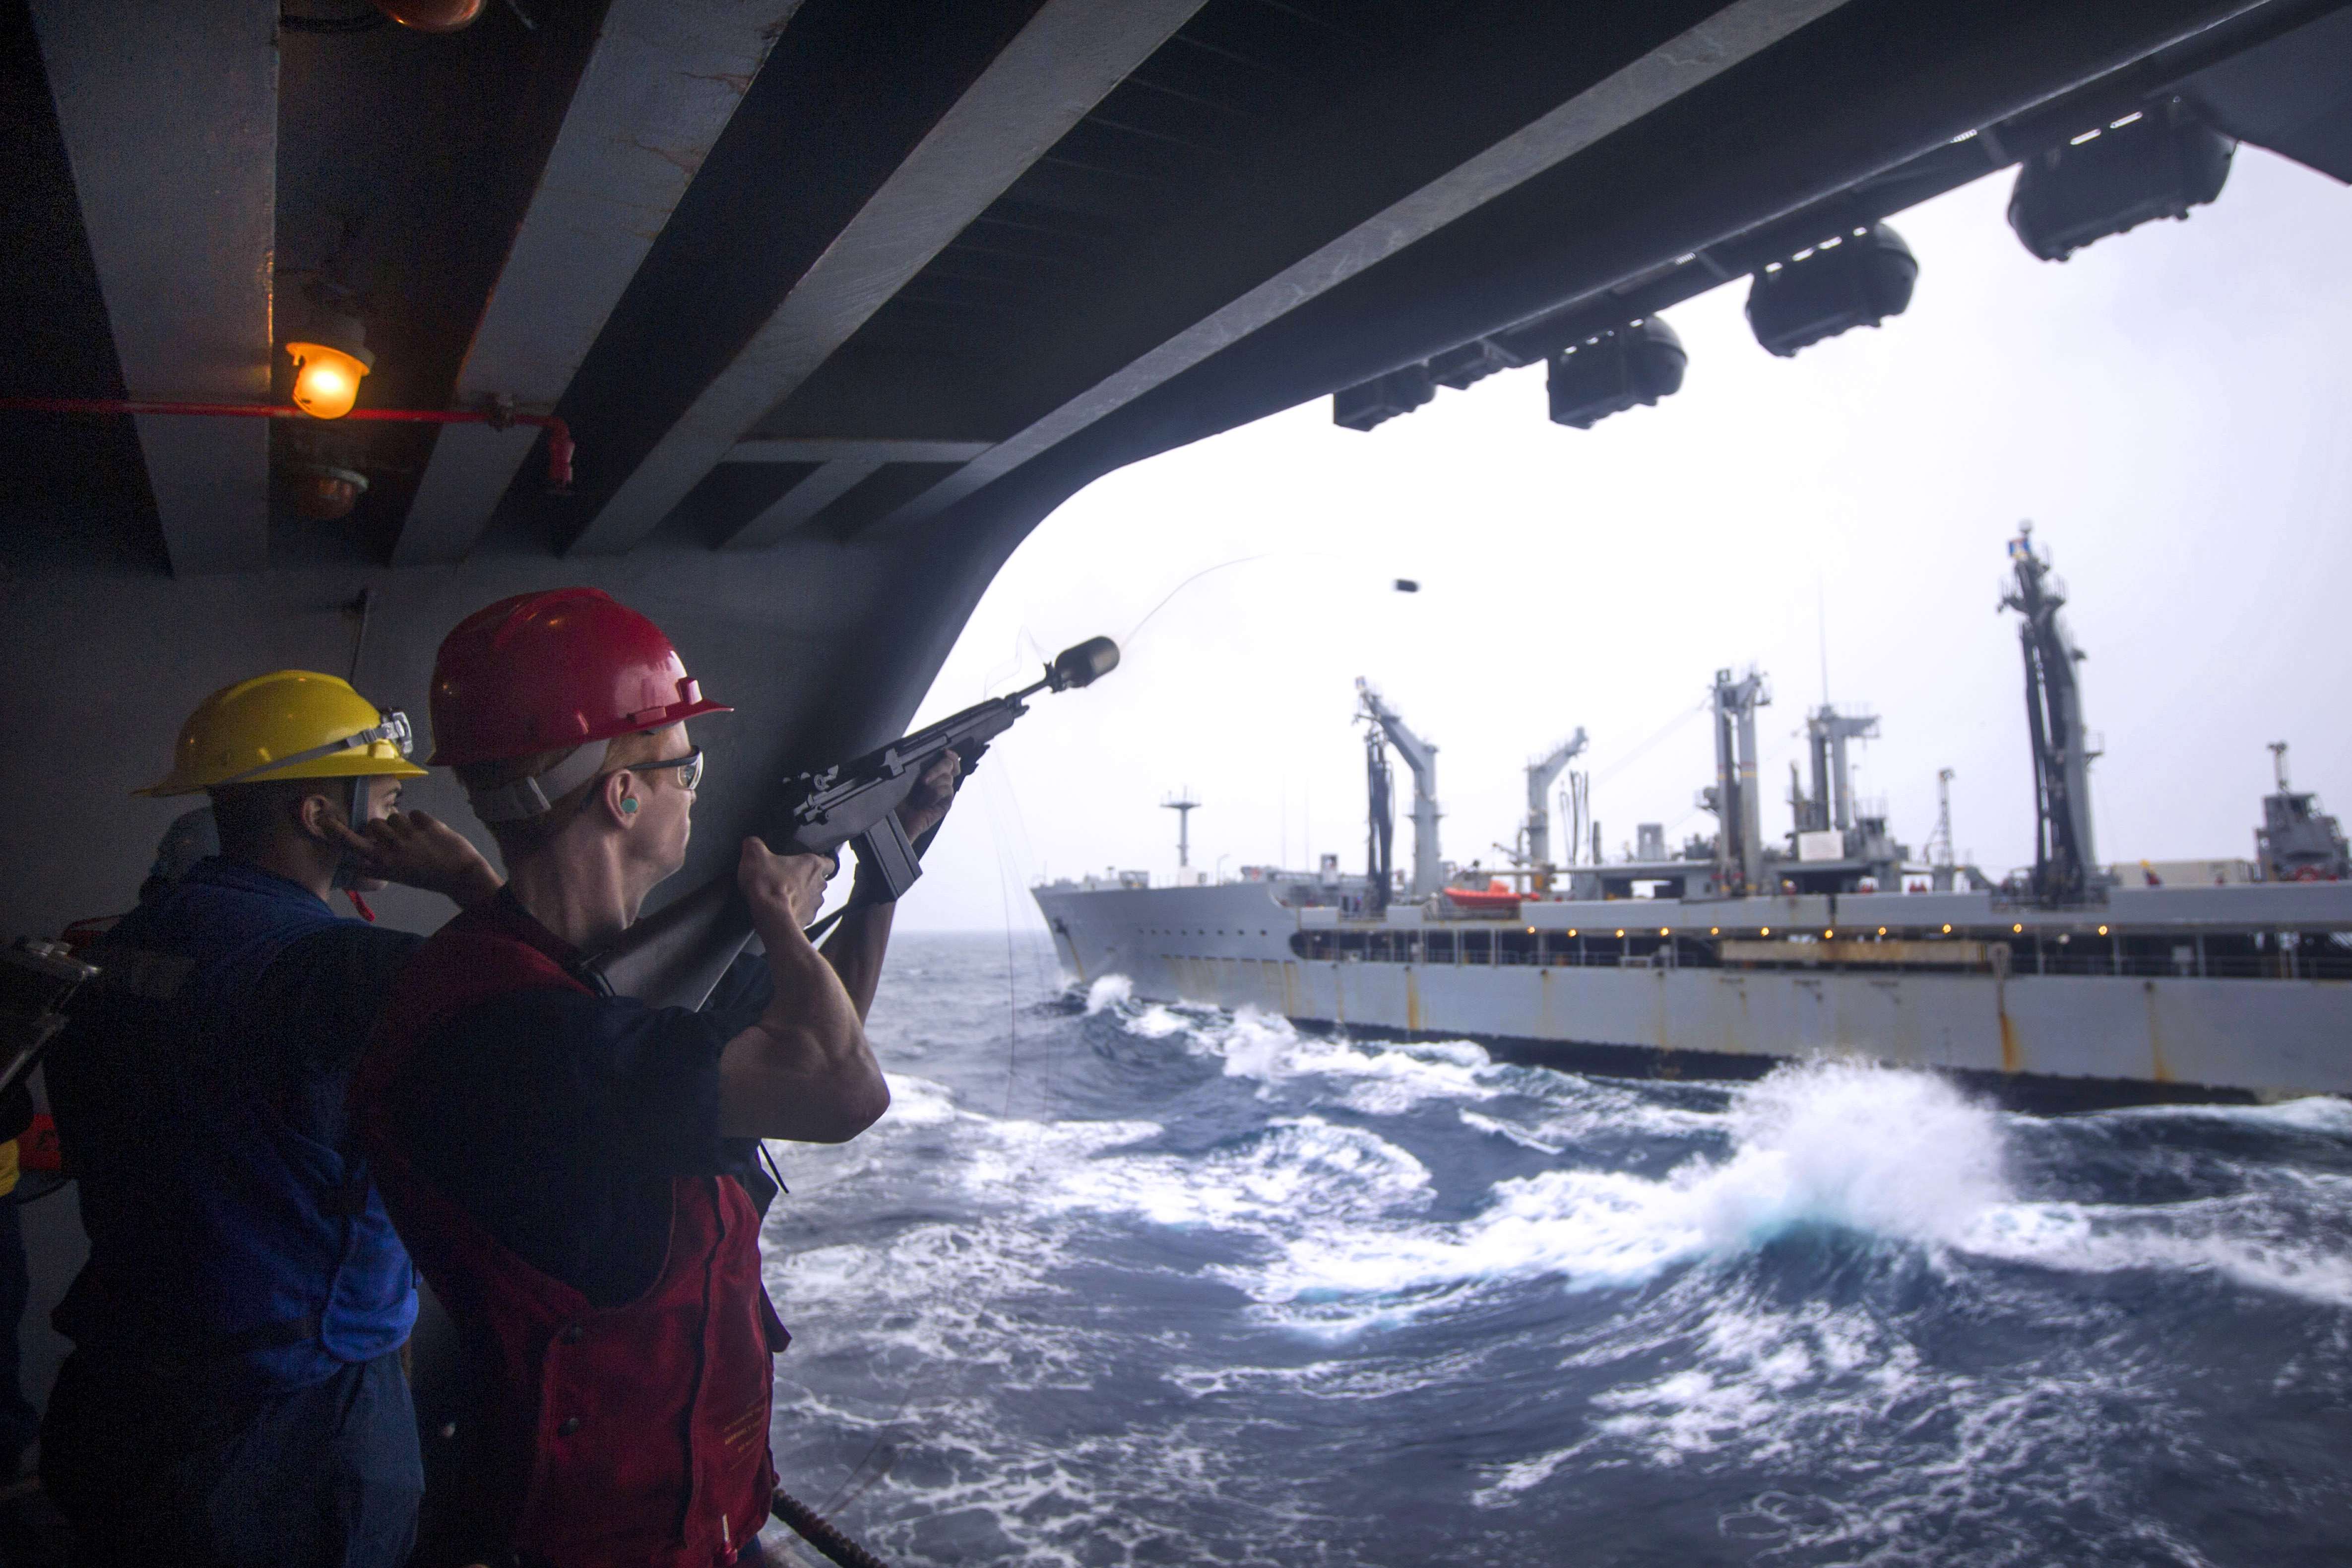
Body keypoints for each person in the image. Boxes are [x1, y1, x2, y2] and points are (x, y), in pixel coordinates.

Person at [358, 588, 954, 1568]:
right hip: (594, 1535)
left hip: (678, 1514)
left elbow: (822, 1035)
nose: (698, 791)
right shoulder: (534, 1035)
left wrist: (888, 866)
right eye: (688, 766)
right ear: (621, 795)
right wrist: (772, 912)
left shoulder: (567, 990)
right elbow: (843, 1091)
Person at [40, 670, 505, 1568]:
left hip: (124, 1382)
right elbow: (558, 1021)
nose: (400, 800)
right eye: (383, 787)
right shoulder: (338, 968)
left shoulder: (129, 939)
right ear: (320, 814)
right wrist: (472, 884)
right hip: (291, 1424)